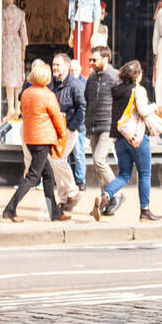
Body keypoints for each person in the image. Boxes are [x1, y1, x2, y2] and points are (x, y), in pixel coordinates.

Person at [93, 60, 162, 222]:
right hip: (136, 138)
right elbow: (143, 111)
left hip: (119, 138)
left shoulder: (116, 91)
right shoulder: (138, 90)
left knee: (124, 174)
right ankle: (145, 211)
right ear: (137, 75)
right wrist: (155, 106)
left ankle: (106, 195)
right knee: (144, 173)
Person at [3, 61, 70, 222]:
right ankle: (10, 209)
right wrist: (62, 135)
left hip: (30, 138)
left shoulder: (26, 93)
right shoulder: (48, 95)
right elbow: (57, 117)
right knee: (33, 177)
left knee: (48, 175)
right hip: (43, 139)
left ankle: (54, 212)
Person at [44, 53, 85, 210]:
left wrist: (72, 127)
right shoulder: (50, 84)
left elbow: (82, 107)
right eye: (53, 64)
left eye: (58, 65)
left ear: (67, 67)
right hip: (54, 130)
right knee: (55, 162)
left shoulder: (75, 85)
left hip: (68, 129)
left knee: (58, 160)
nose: (54, 68)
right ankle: (64, 198)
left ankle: (73, 191)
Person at [85, 45, 118, 188]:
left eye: (94, 60)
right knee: (99, 166)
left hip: (109, 126)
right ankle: (106, 200)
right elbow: (87, 98)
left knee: (99, 160)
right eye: (90, 59)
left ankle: (116, 192)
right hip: (93, 126)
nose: (91, 63)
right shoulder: (91, 77)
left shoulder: (115, 76)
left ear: (105, 59)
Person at [68, 57, 87, 189]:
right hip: (67, 123)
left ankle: (80, 180)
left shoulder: (85, 83)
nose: (74, 72)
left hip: (80, 124)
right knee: (66, 154)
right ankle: (68, 180)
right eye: (71, 70)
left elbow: (85, 106)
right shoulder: (66, 82)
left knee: (79, 153)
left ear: (80, 70)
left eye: (75, 69)